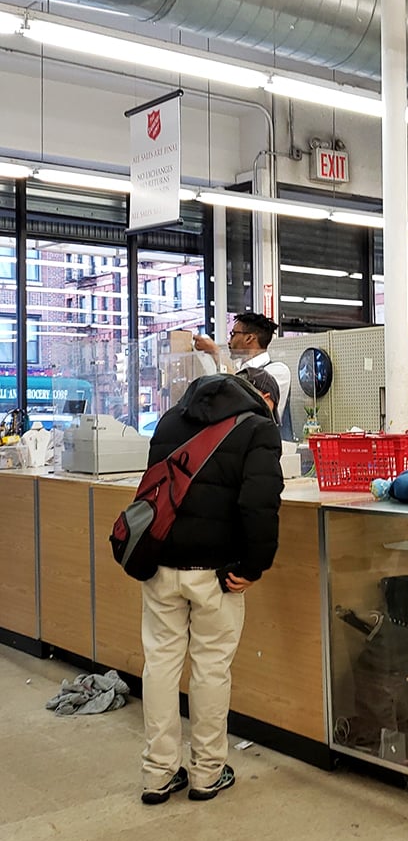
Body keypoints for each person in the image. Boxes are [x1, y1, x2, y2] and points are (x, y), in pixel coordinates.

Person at [139, 371, 283, 805]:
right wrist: (254, 567)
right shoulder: (258, 429)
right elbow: (260, 506)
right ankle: (207, 773)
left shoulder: (169, 421)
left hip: (161, 563)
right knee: (210, 668)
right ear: (263, 397)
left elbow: (154, 492)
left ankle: (157, 774)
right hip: (217, 575)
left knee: (160, 664)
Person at [193, 311, 291, 426]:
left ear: (249, 338)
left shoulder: (277, 370)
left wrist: (215, 352)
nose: (229, 341)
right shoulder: (237, 368)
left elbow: (241, 396)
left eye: (233, 334)